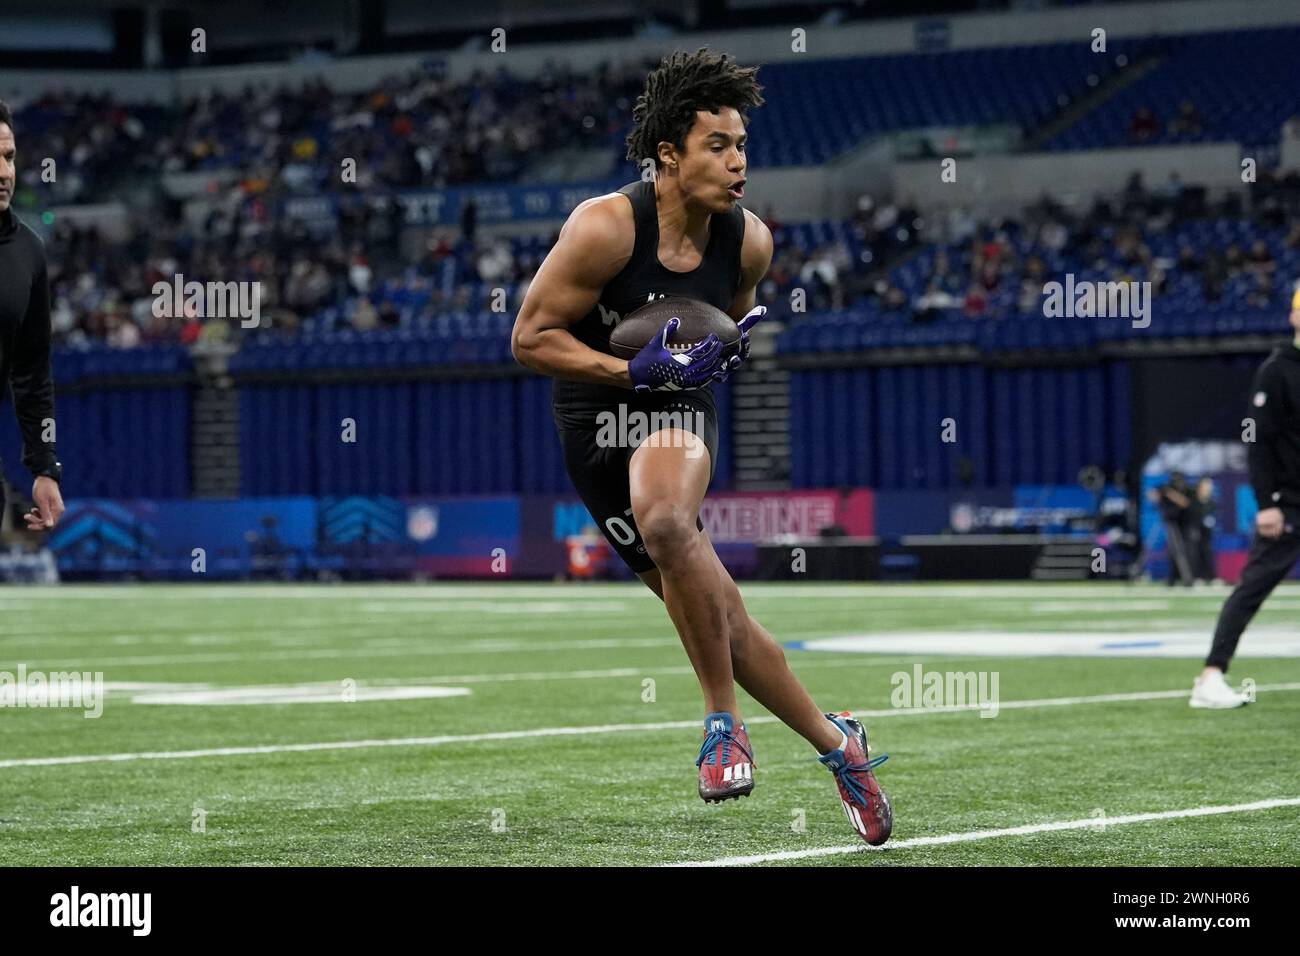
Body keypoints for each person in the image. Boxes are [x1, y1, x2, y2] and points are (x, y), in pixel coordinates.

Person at [510, 49, 891, 844]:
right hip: (592, 413)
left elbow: (729, 324)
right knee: (720, 612)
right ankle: (837, 744)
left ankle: (722, 723)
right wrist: (628, 368)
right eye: (717, 144)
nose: (738, 160)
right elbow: (530, 338)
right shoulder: (605, 226)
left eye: (742, 144)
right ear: (668, 156)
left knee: (669, 521)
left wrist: (701, 362)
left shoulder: (750, 241)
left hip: (675, 401)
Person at [1194, 285, 1300, 708]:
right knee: (1252, 588)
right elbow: (1256, 441)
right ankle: (1210, 677)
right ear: (1294, 316)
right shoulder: (1276, 372)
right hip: (1288, 502)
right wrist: (1267, 503)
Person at [0, 100, 65, 533]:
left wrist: (44, 466)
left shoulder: (28, 253)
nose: (5, 172)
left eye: (8, 157)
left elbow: (33, 372)